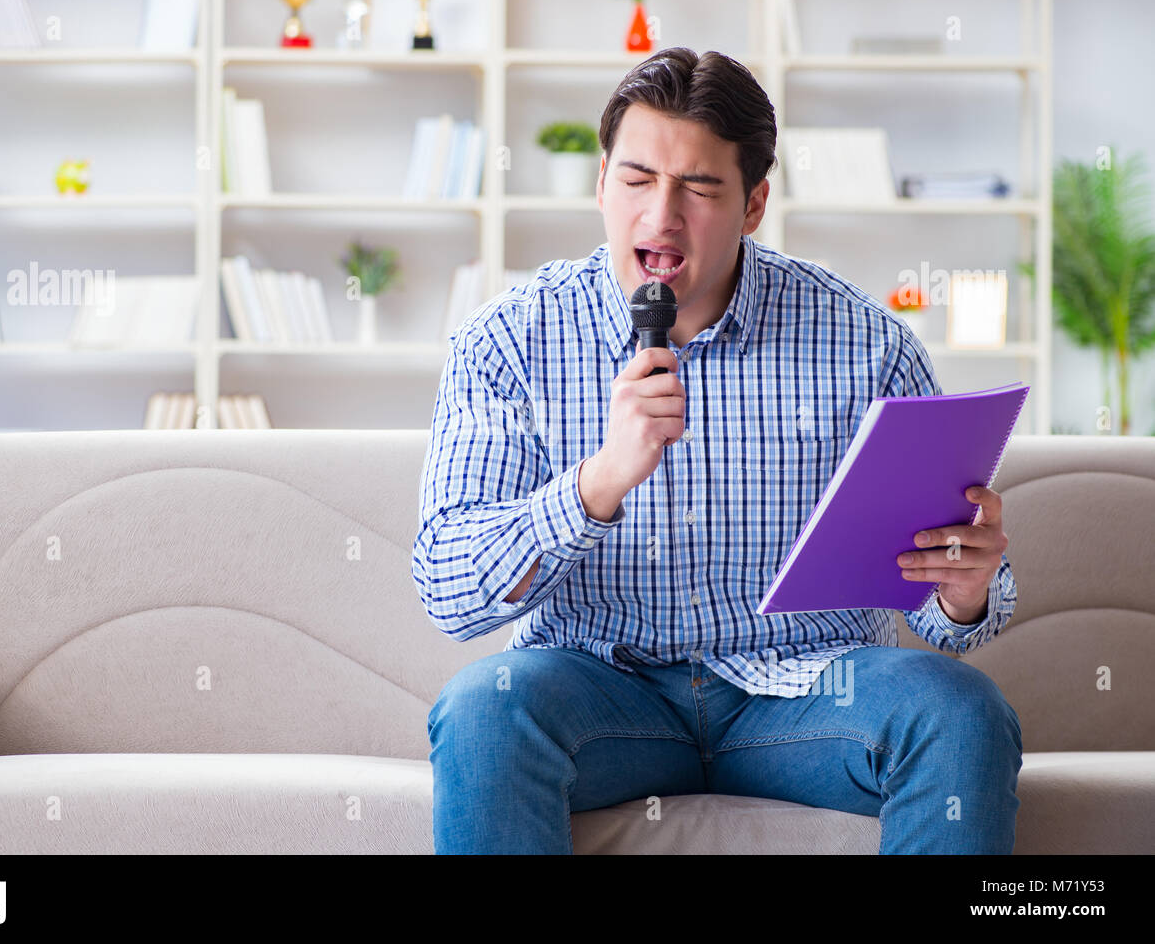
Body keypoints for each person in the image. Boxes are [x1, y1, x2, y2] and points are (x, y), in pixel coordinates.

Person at [411, 47, 1021, 855]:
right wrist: (596, 483)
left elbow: (942, 614)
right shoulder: (508, 340)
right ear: (600, 184)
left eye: (697, 189)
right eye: (635, 180)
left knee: (962, 711)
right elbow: (450, 591)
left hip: (807, 690)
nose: (659, 216)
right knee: (485, 709)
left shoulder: (865, 343)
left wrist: (965, 592)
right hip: (601, 691)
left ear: (754, 201)